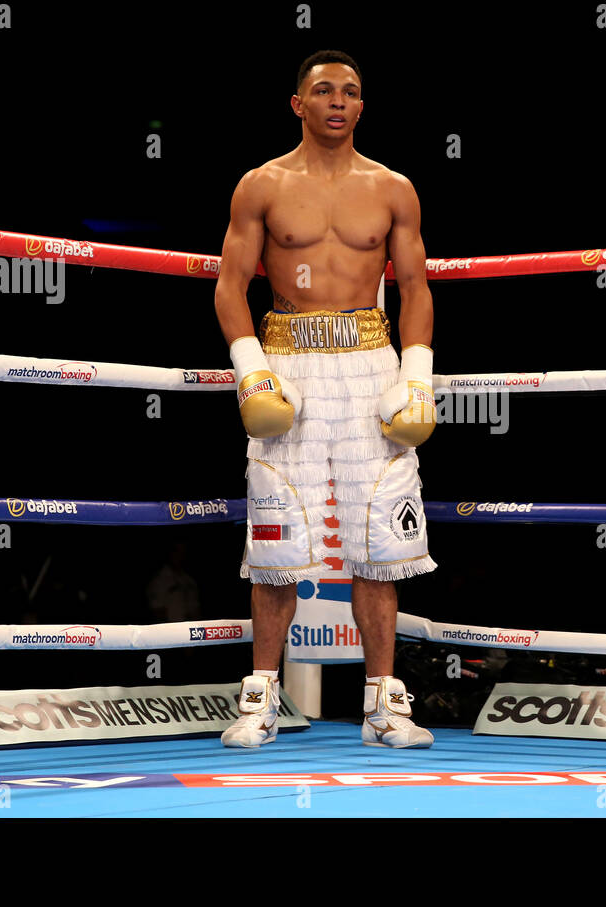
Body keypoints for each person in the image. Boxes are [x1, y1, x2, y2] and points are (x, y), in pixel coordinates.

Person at [213, 50, 436, 749]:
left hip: (371, 363)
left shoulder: (394, 188)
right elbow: (229, 284)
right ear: (298, 104)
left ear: (362, 106)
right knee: (276, 537)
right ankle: (260, 699)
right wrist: (251, 369)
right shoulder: (261, 185)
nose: (339, 101)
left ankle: (384, 706)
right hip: (289, 361)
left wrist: (417, 372)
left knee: (378, 542)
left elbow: (417, 287)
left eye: (352, 92)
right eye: (324, 91)